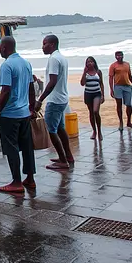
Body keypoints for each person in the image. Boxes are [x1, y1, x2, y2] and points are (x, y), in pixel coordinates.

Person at [0, 36, 36, 194]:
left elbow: (5, 91)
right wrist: (32, 108)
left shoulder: (6, 65)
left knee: (11, 148)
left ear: (4, 48)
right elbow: (31, 87)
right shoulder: (26, 63)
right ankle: (30, 179)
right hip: (24, 113)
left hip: (10, 114)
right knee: (27, 147)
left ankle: (16, 182)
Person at [34, 34, 74, 170]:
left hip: (55, 100)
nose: (42, 47)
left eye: (44, 44)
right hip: (62, 98)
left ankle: (63, 160)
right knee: (61, 128)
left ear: (51, 44)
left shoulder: (54, 59)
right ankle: (68, 155)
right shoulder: (61, 57)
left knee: (51, 130)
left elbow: (52, 82)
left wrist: (40, 99)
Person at [108, 51, 132, 130]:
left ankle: (129, 122)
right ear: (115, 57)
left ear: (123, 56)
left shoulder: (127, 64)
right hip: (118, 87)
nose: (119, 57)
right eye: (117, 56)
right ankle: (121, 122)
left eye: (120, 55)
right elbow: (111, 78)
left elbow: (129, 75)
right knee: (119, 105)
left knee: (129, 105)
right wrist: (111, 89)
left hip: (127, 86)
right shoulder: (113, 66)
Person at [81, 57, 105, 141]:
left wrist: (103, 95)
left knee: (95, 111)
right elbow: (82, 83)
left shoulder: (98, 72)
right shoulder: (86, 72)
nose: (89, 63)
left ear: (94, 63)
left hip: (97, 94)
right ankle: (94, 131)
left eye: (91, 62)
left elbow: (101, 83)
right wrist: (84, 72)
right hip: (88, 94)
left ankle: (99, 131)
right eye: (88, 62)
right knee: (91, 112)